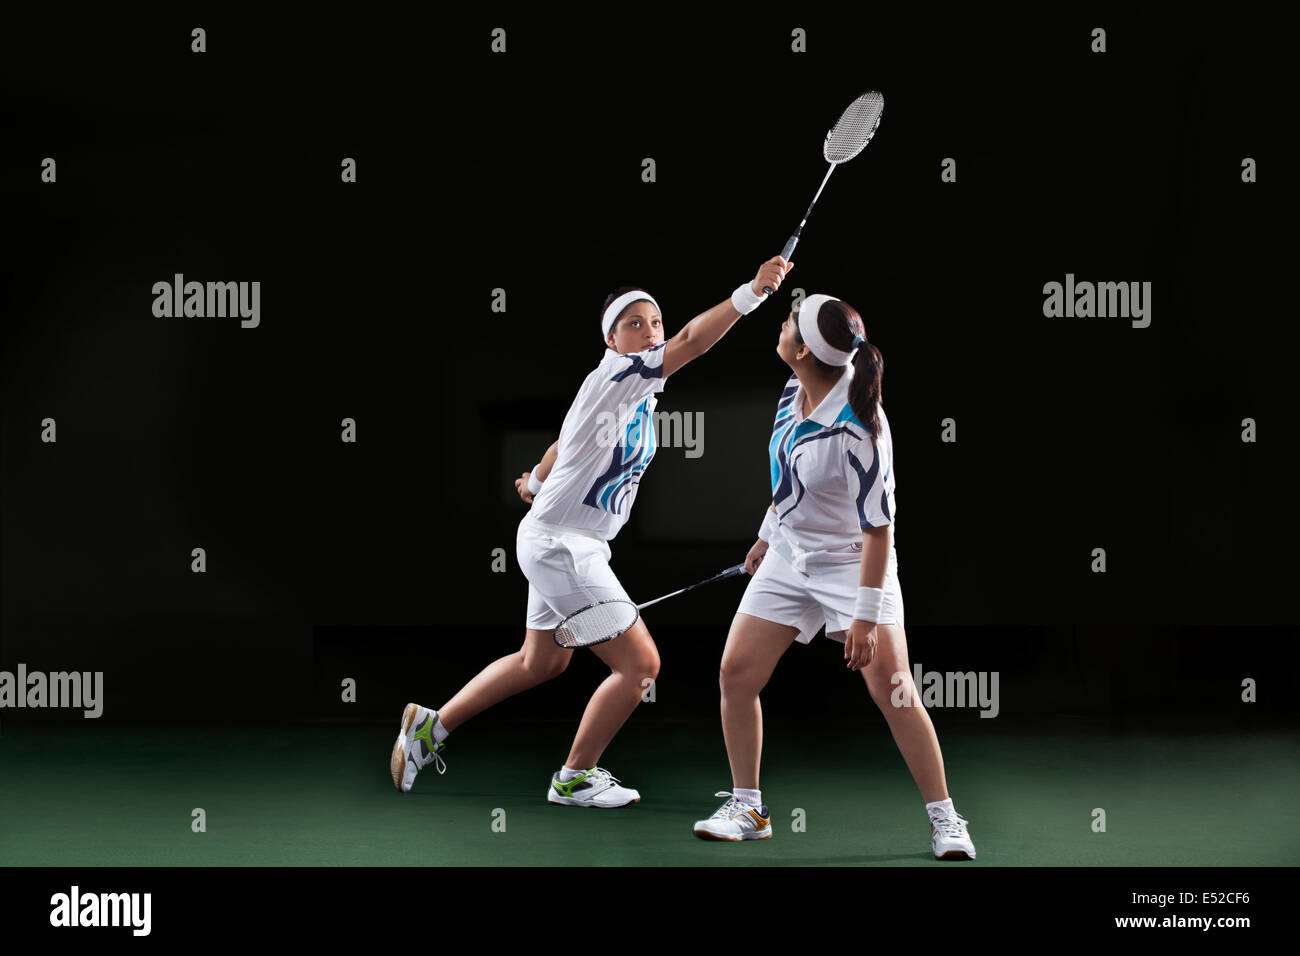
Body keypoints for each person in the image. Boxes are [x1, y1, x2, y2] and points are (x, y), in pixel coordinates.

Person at [390, 255, 792, 808]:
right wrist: (751, 292)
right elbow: (695, 340)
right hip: (562, 547)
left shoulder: (630, 393)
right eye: (635, 324)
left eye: (655, 322)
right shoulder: (623, 373)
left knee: (542, 661)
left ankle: (430, 727)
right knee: (641, 666)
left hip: (563, 537)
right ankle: (574, 777)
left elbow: (565, 443)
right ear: (611, 338)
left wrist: (533, 481)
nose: (650, 331)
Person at [691, 293, 976, 859]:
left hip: (853, 563)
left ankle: (946, 818)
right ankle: (748, 806)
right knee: (736, 673)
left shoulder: (860, 427)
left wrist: (865, 616)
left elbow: (879, 530)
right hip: (790, 554)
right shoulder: (792, 391)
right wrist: (767, 535)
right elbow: (785, 477)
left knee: (895, 691)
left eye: (789, 322)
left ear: (800, 349)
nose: (781, 323)